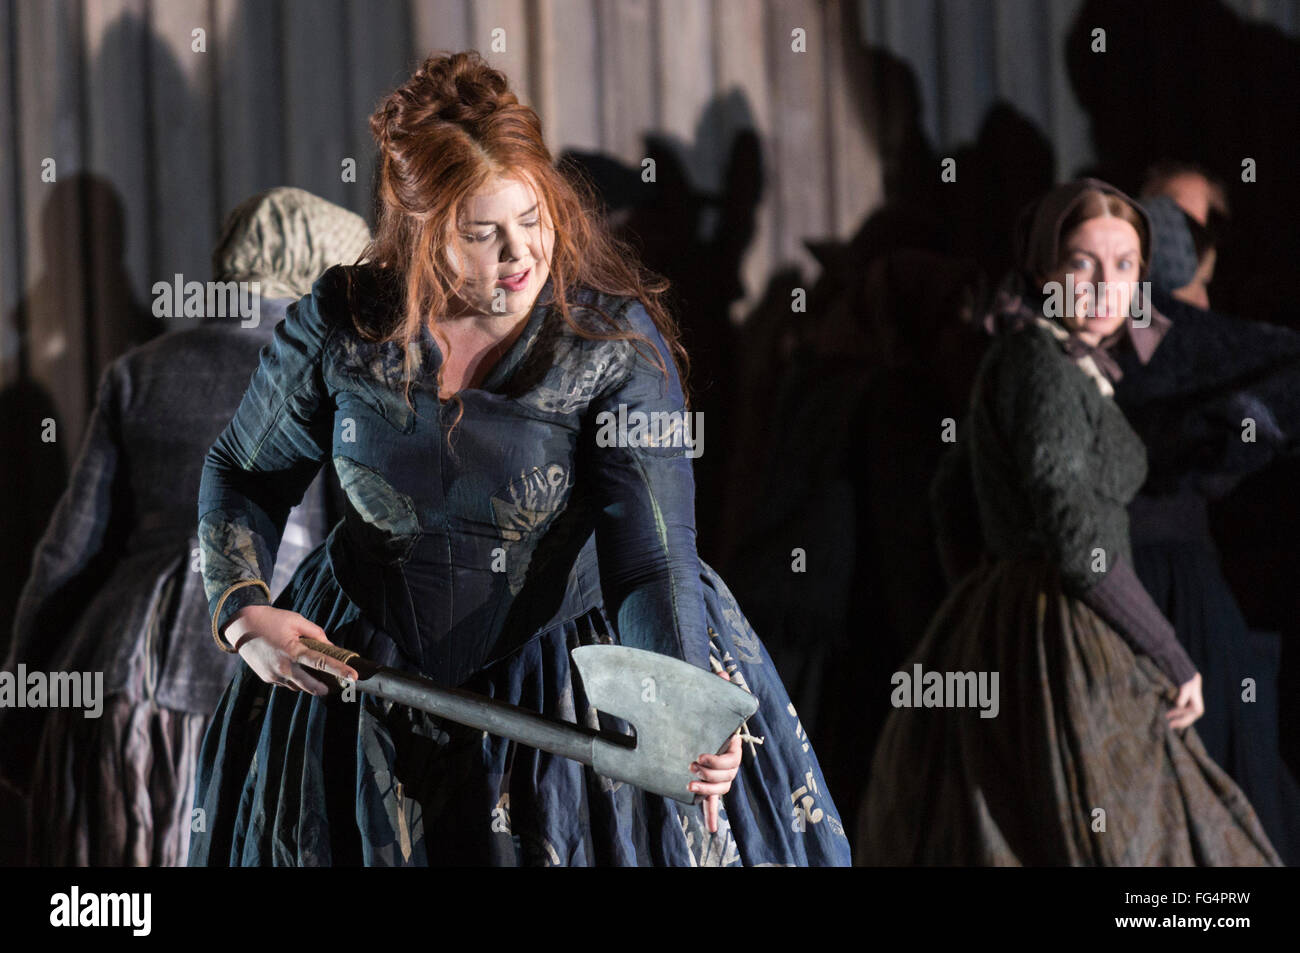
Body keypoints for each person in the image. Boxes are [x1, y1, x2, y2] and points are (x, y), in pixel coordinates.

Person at [187, 50, 850, 867]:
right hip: (364, 678)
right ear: (424, 232)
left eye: (533, 219)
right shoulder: (344, 321)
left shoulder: (608, 342)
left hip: (569, 684)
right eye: (484, 233)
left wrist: (674, 709)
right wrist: (242, 612)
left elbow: (651, 555)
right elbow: (243, 471)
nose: (521, 253)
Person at [857, 179, 1281, 865]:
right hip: (1066, 630)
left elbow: (951, 497)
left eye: (1124, 267)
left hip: (1037, 620)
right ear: (1045, 269)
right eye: (1082, 262)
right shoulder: (1041, 363)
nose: (1104, 285)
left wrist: (986, 601)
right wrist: (1169, 654)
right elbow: (1073, 533)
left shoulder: (1067, 360)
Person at [0, 187, 369, 865]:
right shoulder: (344, 379)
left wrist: (20, 722)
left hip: (108, 681)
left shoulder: (140, 371)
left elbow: (64, 562)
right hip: (261, 683)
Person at [1113, 194, 1300, 863]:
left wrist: (1217, 446)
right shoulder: (1105, 334)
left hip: (1165, 587)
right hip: (1135, 587)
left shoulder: (1163, 334)